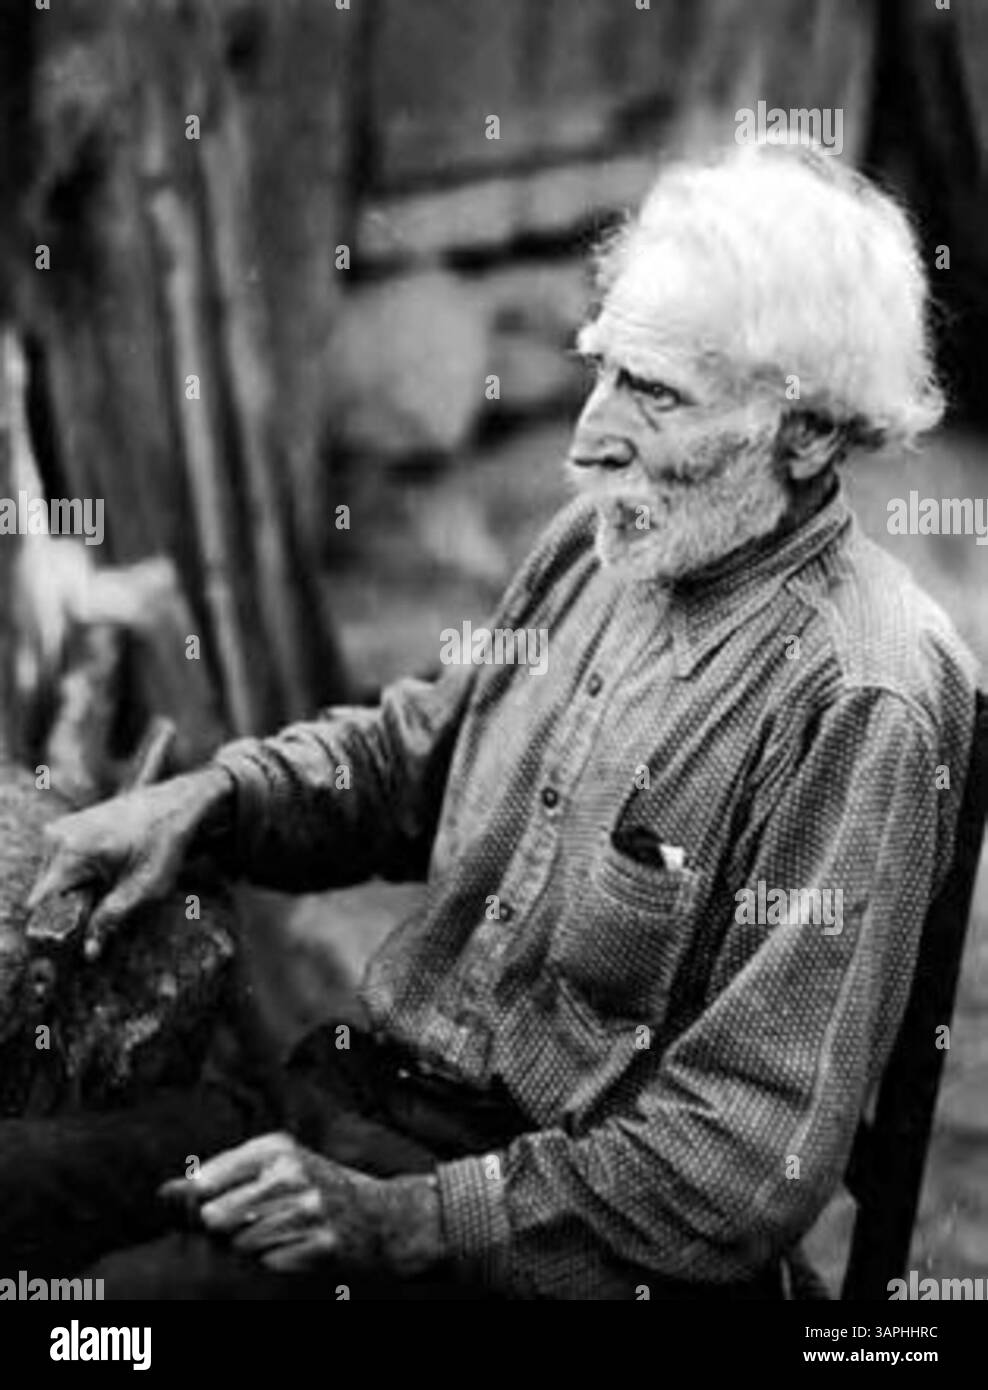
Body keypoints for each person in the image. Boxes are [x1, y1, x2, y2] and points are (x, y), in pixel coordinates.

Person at [7, 140, 978, 1299]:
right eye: (601, 371)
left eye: (655, 394)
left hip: (530, 1245)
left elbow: (739, 1158)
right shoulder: (609, 539)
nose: (587, 438)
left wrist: (400, 1223)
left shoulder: (860, 693)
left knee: (97, 1324)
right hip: (348, 1106)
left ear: (808, 432)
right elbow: (416, 756)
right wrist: (214, 797)